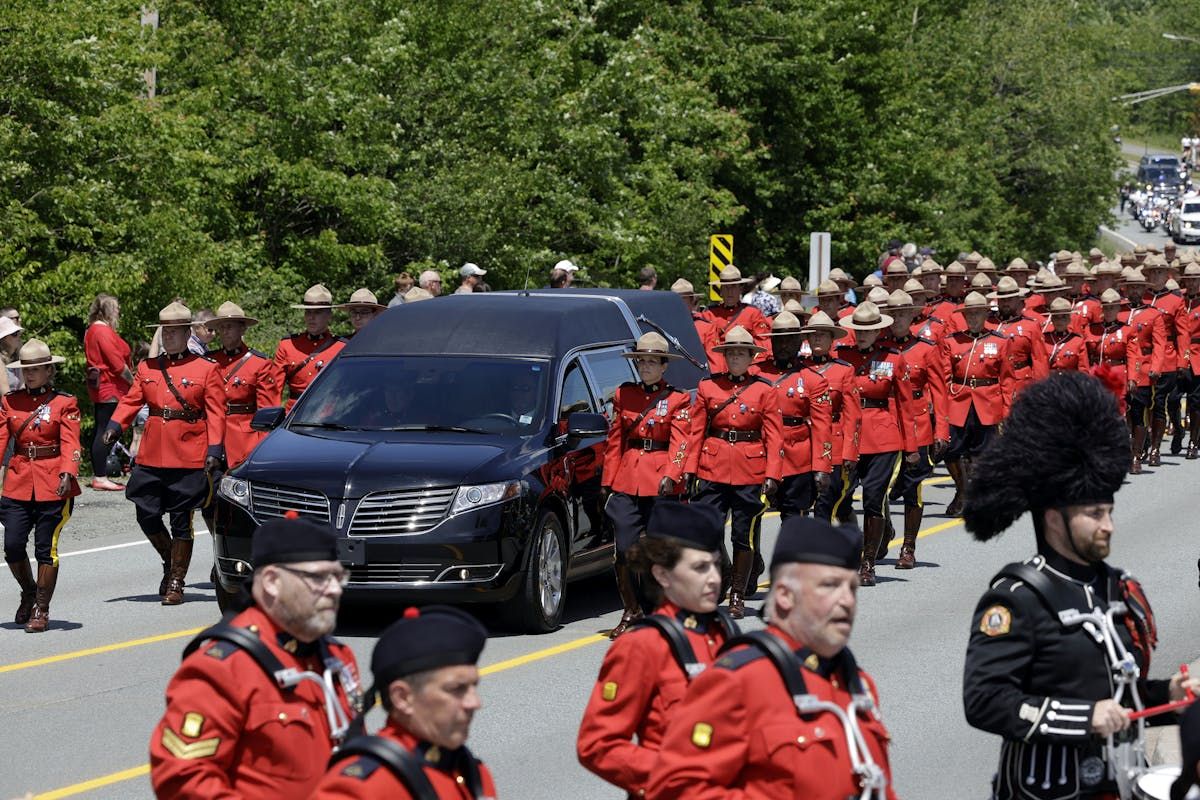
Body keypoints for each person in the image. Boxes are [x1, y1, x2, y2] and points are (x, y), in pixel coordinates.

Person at [961, 372, 1198, 800]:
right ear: (1055, 518)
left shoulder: (1117, 587)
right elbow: (985, 701)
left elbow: (1117, 694)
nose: (1108, 525)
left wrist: (1169, 693)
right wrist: (1082, 718)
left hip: (1122, 781)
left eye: (1108, 511)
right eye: (1093, 513)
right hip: (1046, 789)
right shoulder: (1017, 599)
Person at [646, 516, 897, 799]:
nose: (847, 600)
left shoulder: (857, 684)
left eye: (852, 588)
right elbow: (674, 788)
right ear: (784, 596)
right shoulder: (739, 682)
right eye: (830, 585)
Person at [150, 515, 363, 799]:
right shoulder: (222, 669)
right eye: (319, 578)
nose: (335, 589)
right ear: (273, 582)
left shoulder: (336, 658)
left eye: (338, 576)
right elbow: (184, 779)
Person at [578, 502, 738, 797]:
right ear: (663, 575)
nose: (714, 578)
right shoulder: (642, 645)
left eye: (716, 565)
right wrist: (672, 774)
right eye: (700, 567)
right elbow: (598, 744)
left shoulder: (723, 634)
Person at [103, 302, 224, 605]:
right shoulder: (148, 367)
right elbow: (132, 400)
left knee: (182, 520)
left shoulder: (206, 369)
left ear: (186, 333)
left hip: (188, 452)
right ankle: (170, 560)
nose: (169, 337)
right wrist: (115, 425)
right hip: (153, 452)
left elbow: (216, 413)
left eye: (175, 332)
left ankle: (176, 581)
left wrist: (215, 450)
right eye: (165, 332)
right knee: (145, 511)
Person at [312, 605, 493, 799]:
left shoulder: (472, 773)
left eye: (474, 686)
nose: (475, 702)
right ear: (402, 698)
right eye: (456, 689)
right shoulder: (362, 789)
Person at [685, 326, 782, 618]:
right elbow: (696, 432)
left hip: (750, 469)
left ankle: (737, 594)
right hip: (712, 467)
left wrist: (772, 475)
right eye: (732, 352)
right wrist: (689, 470)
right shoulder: (708, 387)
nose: (736, 357)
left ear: (751, 357)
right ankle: (723, 573)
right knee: (706, 533)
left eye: (742, 352)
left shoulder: (764, 389)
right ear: (725, 356)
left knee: (744, 535)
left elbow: (774, 436)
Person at [601, 332, 692, 638]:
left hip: (660, 480)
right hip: (628, 478)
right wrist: (608, 480)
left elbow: (681, 443)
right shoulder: (623, 394)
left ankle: (657, 612)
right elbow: (616, 442)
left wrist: (672, 473)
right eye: (642, 361)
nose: (647, 366)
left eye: (653, 361)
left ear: (664, 366)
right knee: (625, 550)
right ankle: (631, 610)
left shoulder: (677, 399)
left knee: (657, 552)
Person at [833, 301, 917, 585]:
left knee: (873, 499)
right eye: (859, 330)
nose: (863, 335)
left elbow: (906, 405)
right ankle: (856, 541)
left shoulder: (894, 358)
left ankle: (867, 562)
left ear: (879, 330)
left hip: (882, 436)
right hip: (848, 436)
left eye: (869, 330)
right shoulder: (843, 357)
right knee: (840, 497)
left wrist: (912, 448)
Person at [0, 340, 81, 633]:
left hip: (53, 483)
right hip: (19, 481)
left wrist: (68, 472)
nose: (30, 374)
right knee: (12, 547)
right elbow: (1, 441)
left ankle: (41, 608)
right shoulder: (10, 401)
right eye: (26, 369)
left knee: (46, 549)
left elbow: (71, 441)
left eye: (36, 369)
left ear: (49, 370)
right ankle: (29, 591)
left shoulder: (64, 402)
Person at [881, 290, 949, 569]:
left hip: (918, 423)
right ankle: (883, 530)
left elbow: (940, 391)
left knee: (912, 489)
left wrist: (941, 431)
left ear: (911, 316)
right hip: (886, 423)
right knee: (879, 487)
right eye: (893, 313)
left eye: (902, 314)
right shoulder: (880, 348)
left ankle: (908, 547)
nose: (897, 319)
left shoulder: (926, 348)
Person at [940, 292, 1015, 517]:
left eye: (977, 313)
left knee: (983, 452)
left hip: (987, 400)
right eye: (969, 313)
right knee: (951, 450)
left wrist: (1006, 410)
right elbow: (943, 377)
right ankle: (963, 491)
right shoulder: (952, 341)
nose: (973, 317)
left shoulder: (999, 341)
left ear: (984, 314)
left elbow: (1007, 379)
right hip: (958, 400)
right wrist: (941, 406)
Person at [755, 311, 832, 521]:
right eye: (779, 340)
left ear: (799, 341)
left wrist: (822, 467)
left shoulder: (812, 380)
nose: (784, 345)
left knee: (794, 519)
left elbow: (822, 427)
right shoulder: (756, 374)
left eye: (789, 340)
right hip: (758, 453)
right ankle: (755, 556)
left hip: (796, 457)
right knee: (750, 517)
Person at [208, 302, 281, 470]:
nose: (225, 331)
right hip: (211, 435)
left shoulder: (259, 363)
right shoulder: (209, 360)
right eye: (222, 327)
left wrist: (262, 447)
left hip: (243, 438)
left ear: (242, 329)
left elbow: (267, 412)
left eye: (230, 327)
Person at [805, 311, 856, 529]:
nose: (817, 338)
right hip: (804, 442)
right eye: (813, 334)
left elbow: (852, 414)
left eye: (823, 335)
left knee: (834, 501)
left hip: (833, 442)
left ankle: (853, 538)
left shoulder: (843, 370)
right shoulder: (799, 369)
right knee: (813, 501)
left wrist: (849, 451)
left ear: (831, 340)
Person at [83, 293, 132, 491]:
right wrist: (135, 383)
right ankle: (101, 476)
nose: (118, 311)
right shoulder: (100, 330)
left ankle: (100, 475)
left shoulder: (96, 330)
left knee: (102, 428)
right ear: (107, 309)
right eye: (116, 307)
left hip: (107, 386)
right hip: (109, 386)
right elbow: (117, 364)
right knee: (107, 429)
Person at [1120, 269, 1166, 474]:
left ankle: (1136, 456)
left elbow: (1159, 344)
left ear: (1144, 289)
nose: (1135, 291)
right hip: (1120, 370)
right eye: (1131, 287)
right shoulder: (1117, 311)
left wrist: (1155, 369)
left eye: (1138, 287)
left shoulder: (1153, 314)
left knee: (1138, 413)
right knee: (1122, 414)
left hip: (1144, 368)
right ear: (1126, 289)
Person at [274, 285, 347, 413]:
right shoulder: (288, 345)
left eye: (318, 312)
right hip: (293, 414)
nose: (311, 317)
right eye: (308, 312)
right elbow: (274, 388)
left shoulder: (341, 347)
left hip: (328, 414)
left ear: (329, 315)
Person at [1145, 256, 1187, 460]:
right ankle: (1143, 441)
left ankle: (1155, 447)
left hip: (1167, 357)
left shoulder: (1175, 301)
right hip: (1143, 356)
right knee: (1143, 403)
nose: (1156, 276)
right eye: (1153, 272)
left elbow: (1182, 333)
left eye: (1160, 272)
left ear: (1167, 275)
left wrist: (1182, 361)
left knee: (1160, 402)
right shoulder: (1140, 299)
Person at [703, 265, 772, 374]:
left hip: (745, 370)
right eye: (726, 287)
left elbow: (763, 345)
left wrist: (748, 369)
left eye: (733, 287)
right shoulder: (709, 314)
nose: (730, 292)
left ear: (740, 288)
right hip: (715, 372)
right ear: (721, 290)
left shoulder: (752, 313)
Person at [990, 276, 1050, 391]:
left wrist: (1040, 391)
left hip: (1020, 381)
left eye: (1010, 299)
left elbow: (1039, 360)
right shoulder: (988, 323)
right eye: (1002, 299)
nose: (1005, 303)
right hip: (993, 383)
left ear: (1018, 299)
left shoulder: (1031, 326)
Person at [1178, 263, 1200, 458]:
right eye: (1189, 279)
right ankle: (1177, 428)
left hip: (1197, 354)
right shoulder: (1178, 300)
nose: (1192, 283)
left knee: (1195, 401)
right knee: (1172, 398)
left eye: (1196, 279)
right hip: (1178, 354)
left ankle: (1193, 441)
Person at [1043, 298, 1091, 373]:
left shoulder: (1077, 341)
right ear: (1051, 319)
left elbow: (1083, 369)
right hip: (1049, 382)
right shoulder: (1044, 339)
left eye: (1064, 317)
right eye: (1056, 317)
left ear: (1069, 319)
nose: (1060, 321)